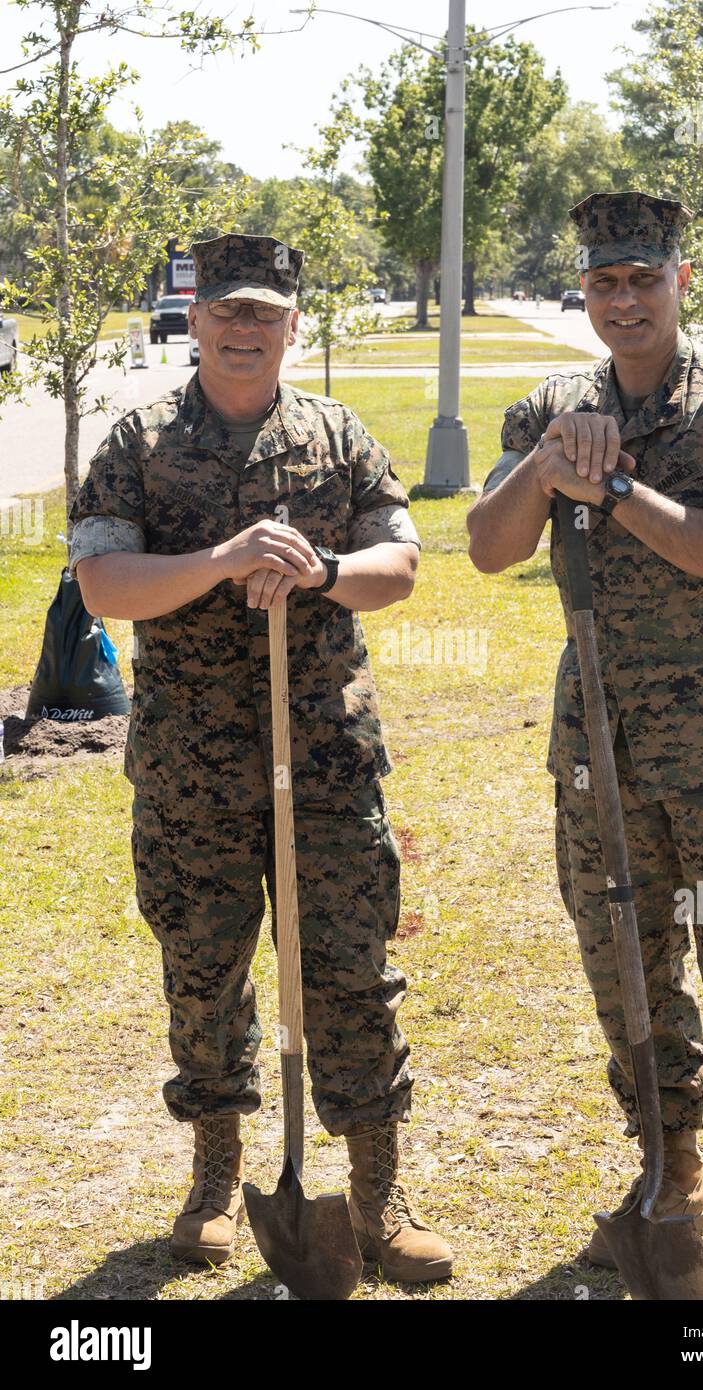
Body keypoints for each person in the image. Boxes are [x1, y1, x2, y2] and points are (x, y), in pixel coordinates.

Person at [466, 191, 703, 1301]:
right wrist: (544, 469)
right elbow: (488, 550)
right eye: (601, 282)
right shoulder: (553, 405)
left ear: (682, 283)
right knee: (628, 981)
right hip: (599, 758)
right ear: (581, 292)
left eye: (642, 279)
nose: (622, 299)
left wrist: (616, 485)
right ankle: (663, 1186)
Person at [70, 232, 453, 1284]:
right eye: (226, 312)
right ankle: (213, 1177)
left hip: (324, 756)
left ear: (294, 326)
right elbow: (105, 588)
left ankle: (376, 1193)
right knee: (205, 975)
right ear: (194, 321)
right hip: (193, 766)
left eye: (266, 314)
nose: (245, 329)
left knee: (353, 977)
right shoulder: (140, 441)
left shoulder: (334, 437)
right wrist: (224, 559)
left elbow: (401, 563)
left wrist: (324, 569)